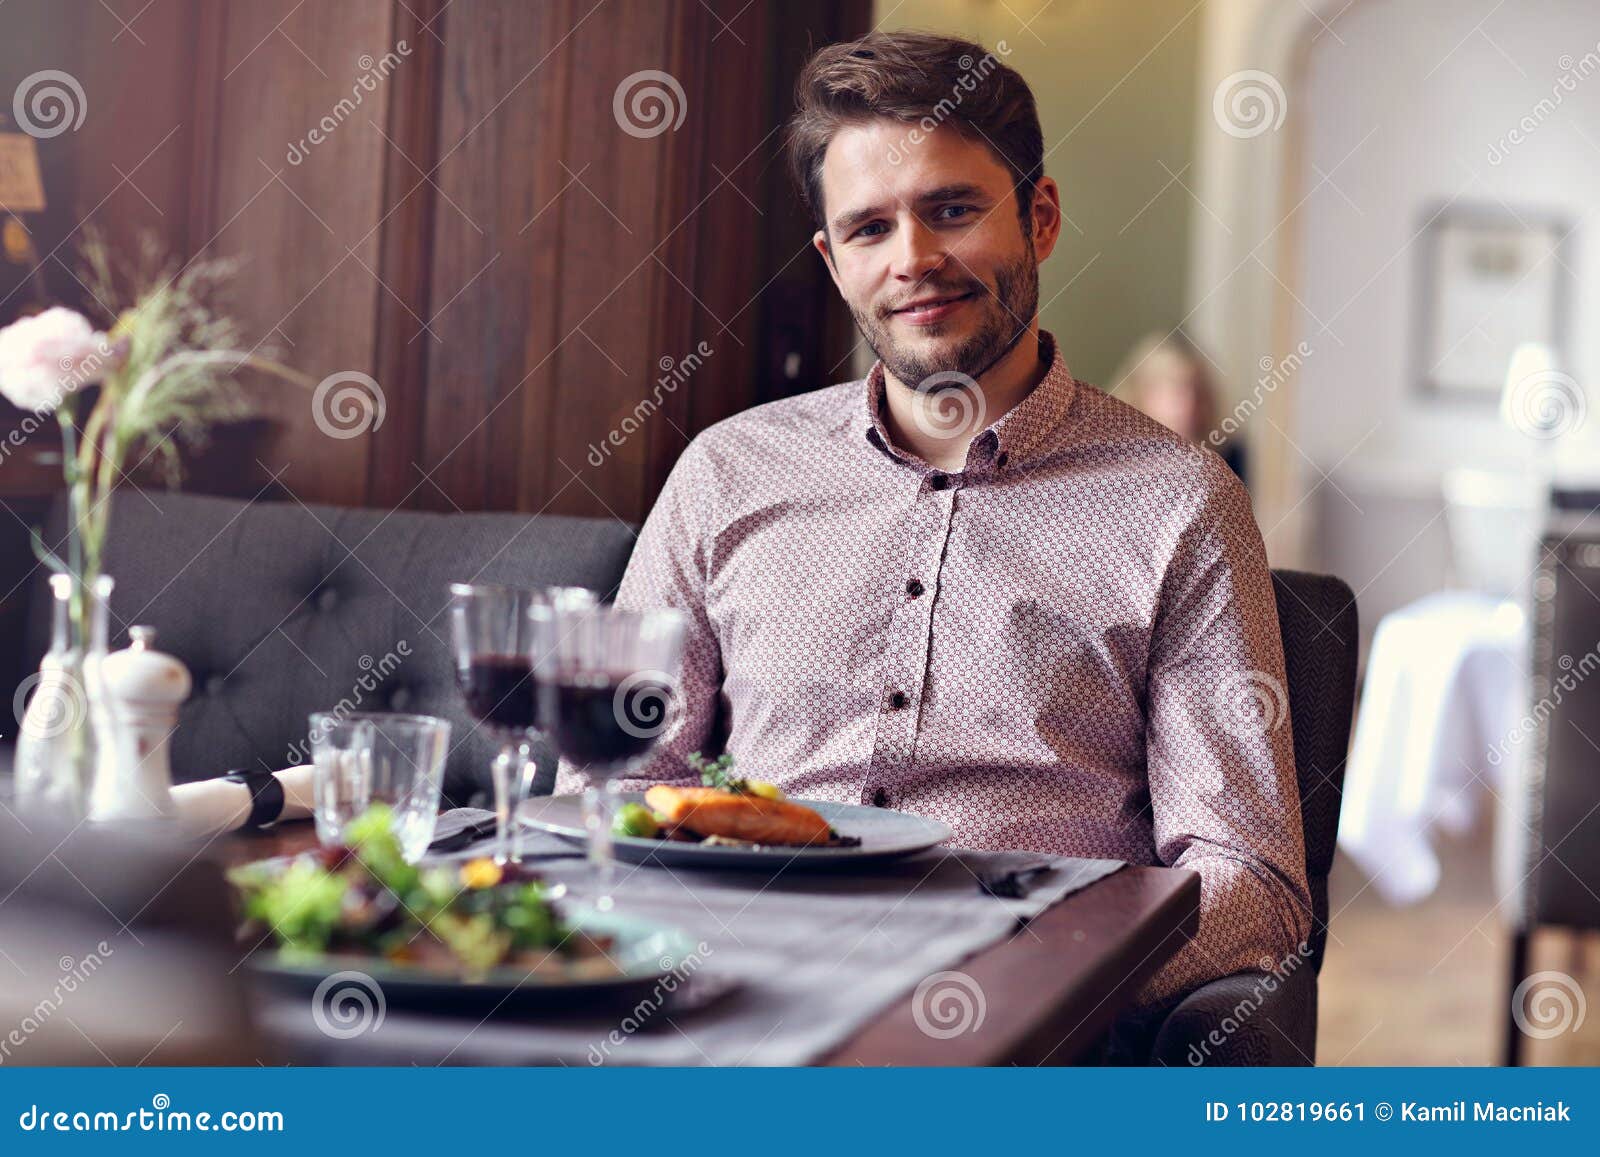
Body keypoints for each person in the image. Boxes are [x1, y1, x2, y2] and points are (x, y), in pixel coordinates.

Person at [557, 30, 1309, 1016]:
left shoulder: (1179, 501)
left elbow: (1249, 884)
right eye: (869, 229)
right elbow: (615, 785)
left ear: (1038, 218)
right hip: (729, 996)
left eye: (951, 210)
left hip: (1015, 1026)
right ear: (833, 261)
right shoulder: (726, 474)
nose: (913, 258)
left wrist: (1027, 988)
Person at [1114, 331, 1247, 482]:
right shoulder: (1113, 463)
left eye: (1199, 391)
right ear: (1142, 394)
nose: (1190, 405)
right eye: (1177, 390)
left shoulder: (1230, 459)